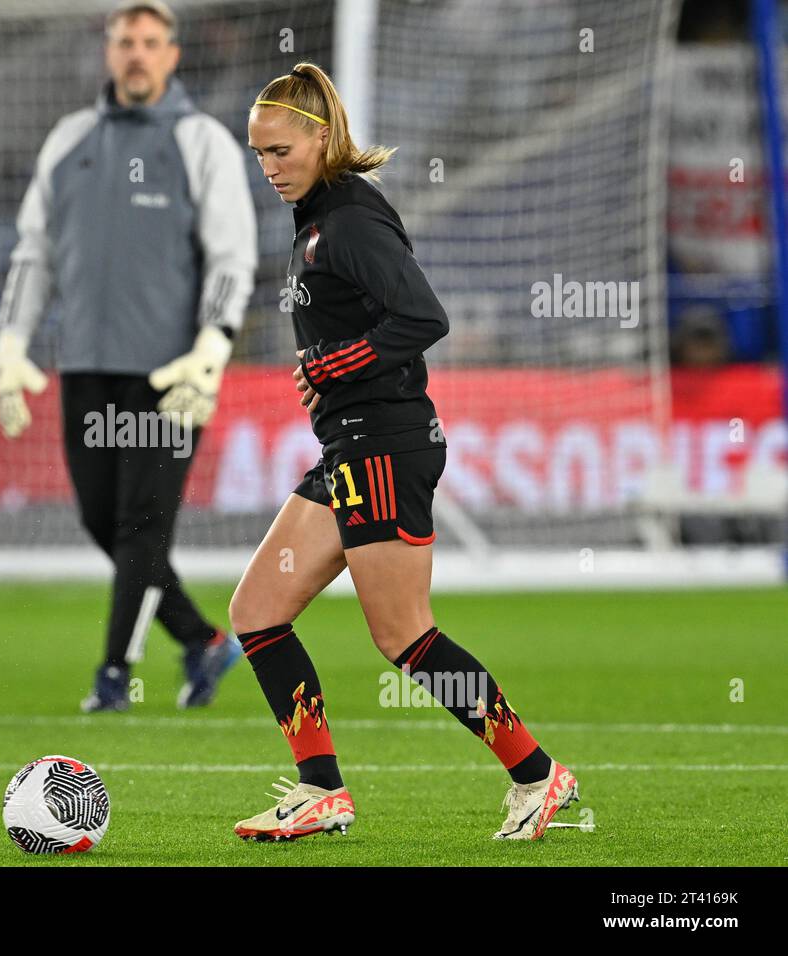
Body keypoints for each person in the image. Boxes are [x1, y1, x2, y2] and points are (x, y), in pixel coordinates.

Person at [230, 62, 579, 840]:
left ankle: (537, 774)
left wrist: (334, 365)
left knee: (404, 635)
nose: (269, 168)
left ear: (321, 139)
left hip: (384, 450)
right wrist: (331, 367)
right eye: (259, 155)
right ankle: (322, 791)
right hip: (350, 446)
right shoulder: (320, 216)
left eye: (280, 151)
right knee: (257, 611)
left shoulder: (348, 219)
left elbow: (423, 317)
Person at [0, 1, 258, 712]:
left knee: (143, 524)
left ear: (173, 54)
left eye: (150, 42)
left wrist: (213, 343)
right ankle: (204, 641)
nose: (137, 53)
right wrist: (11, 342)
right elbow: (32, 253)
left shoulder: (201, 141)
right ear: (108, 51)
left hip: (170, 375)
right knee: (101, 521)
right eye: (124, 41)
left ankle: (114, 674)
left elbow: (233, 255)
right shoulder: (68, 139)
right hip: (85, 365)